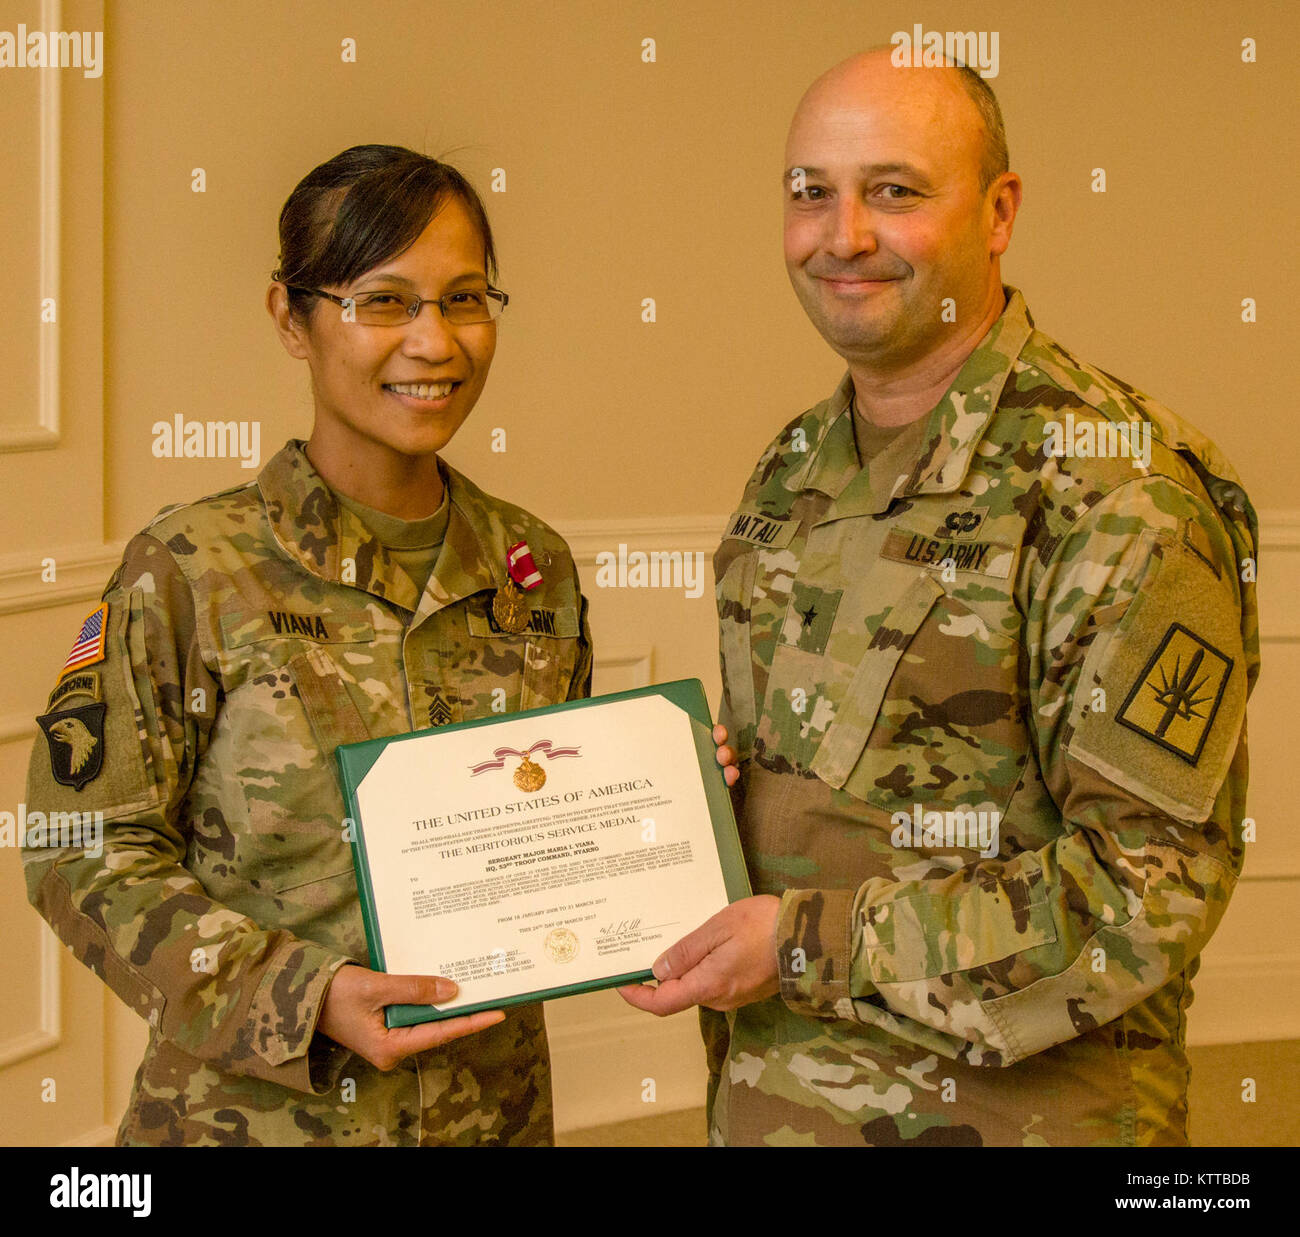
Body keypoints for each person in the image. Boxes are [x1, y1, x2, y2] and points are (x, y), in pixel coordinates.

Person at [619, 51, 1259, 1146]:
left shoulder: (1116, 488)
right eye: (809, 190)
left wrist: (811, 940)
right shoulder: (795, 465)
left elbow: (1146, 892)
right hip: (779, 1106)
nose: (842, 233)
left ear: (999, 211)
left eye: (895, 190)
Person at [23, 144, 598, 1146]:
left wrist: (661, 799)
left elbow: (549, 827)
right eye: (383, 301)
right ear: (291, 317)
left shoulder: (531, 564)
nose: (435, 342)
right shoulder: (190, 568)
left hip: (490, 1115)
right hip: (253, 1122)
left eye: (464, 299)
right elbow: (80, 850)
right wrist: (305, 995)